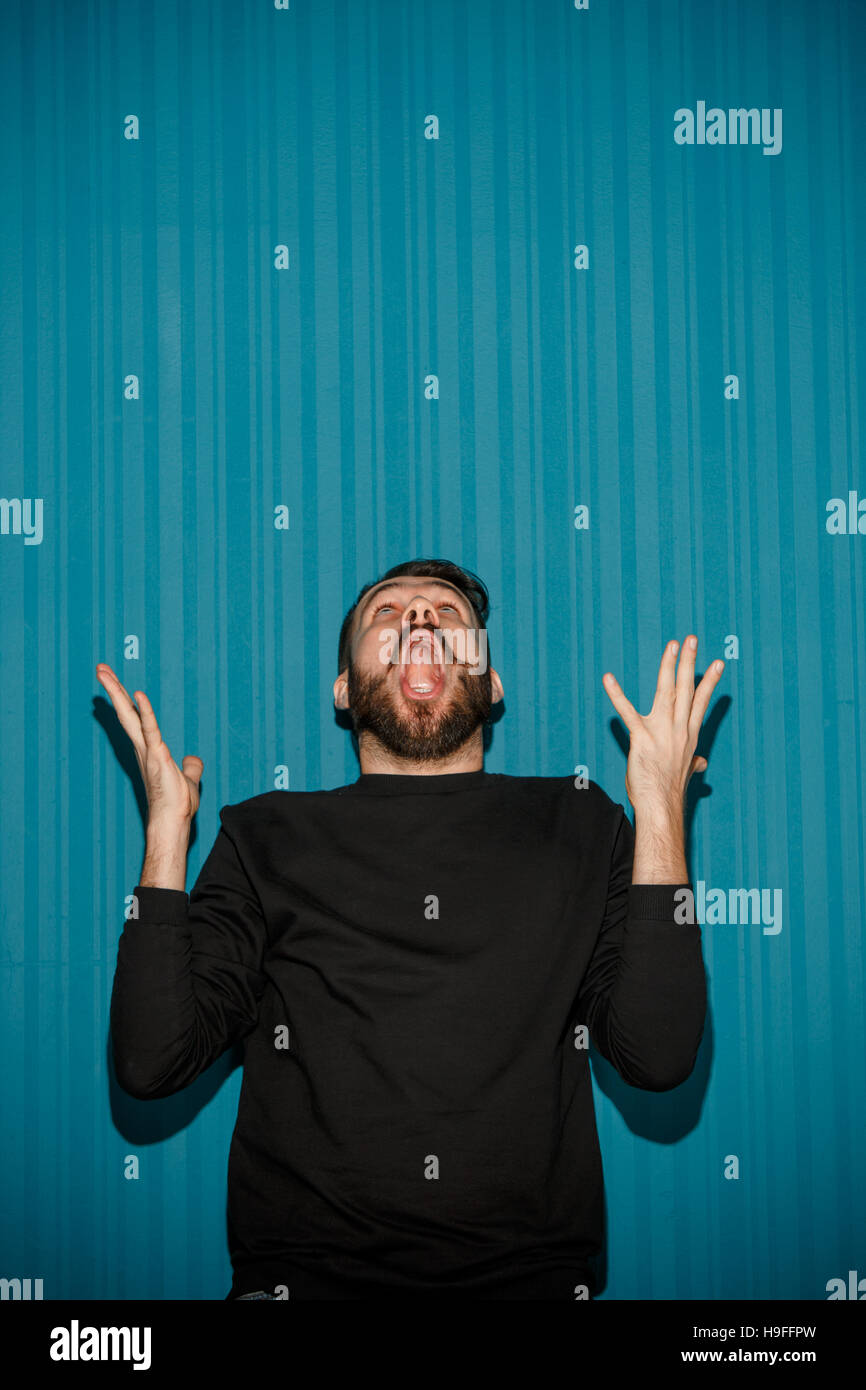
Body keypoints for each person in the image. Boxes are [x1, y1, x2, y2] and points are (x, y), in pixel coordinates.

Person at [100, 558, 724, 1300]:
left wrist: (659, 809)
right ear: (343, 689)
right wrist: (167, 835)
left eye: (447, 614)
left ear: (492, 684)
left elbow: (657, 1055)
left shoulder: (580, 825)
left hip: (528, 1282)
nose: (420, 620)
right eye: (387, 613)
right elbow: (150, 1062)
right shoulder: (265, 835)